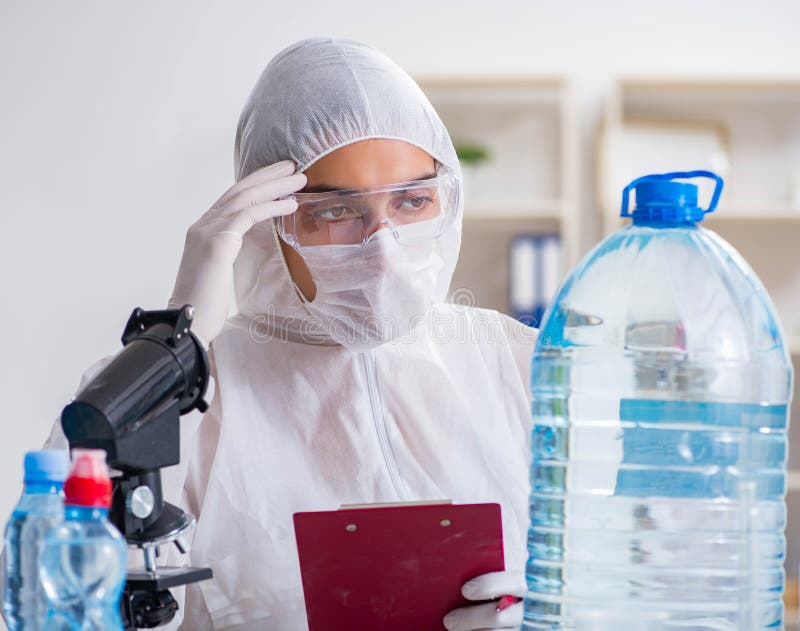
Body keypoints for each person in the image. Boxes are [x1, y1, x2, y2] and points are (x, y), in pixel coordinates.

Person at [46, 37, 537, 630]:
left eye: (412, 201)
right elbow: (67, 599)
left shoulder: (514, 363)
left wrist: (559, 613)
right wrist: (176, 347)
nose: (383, 251)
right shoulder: (198, 395)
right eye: (335, 211)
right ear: (268, 226)